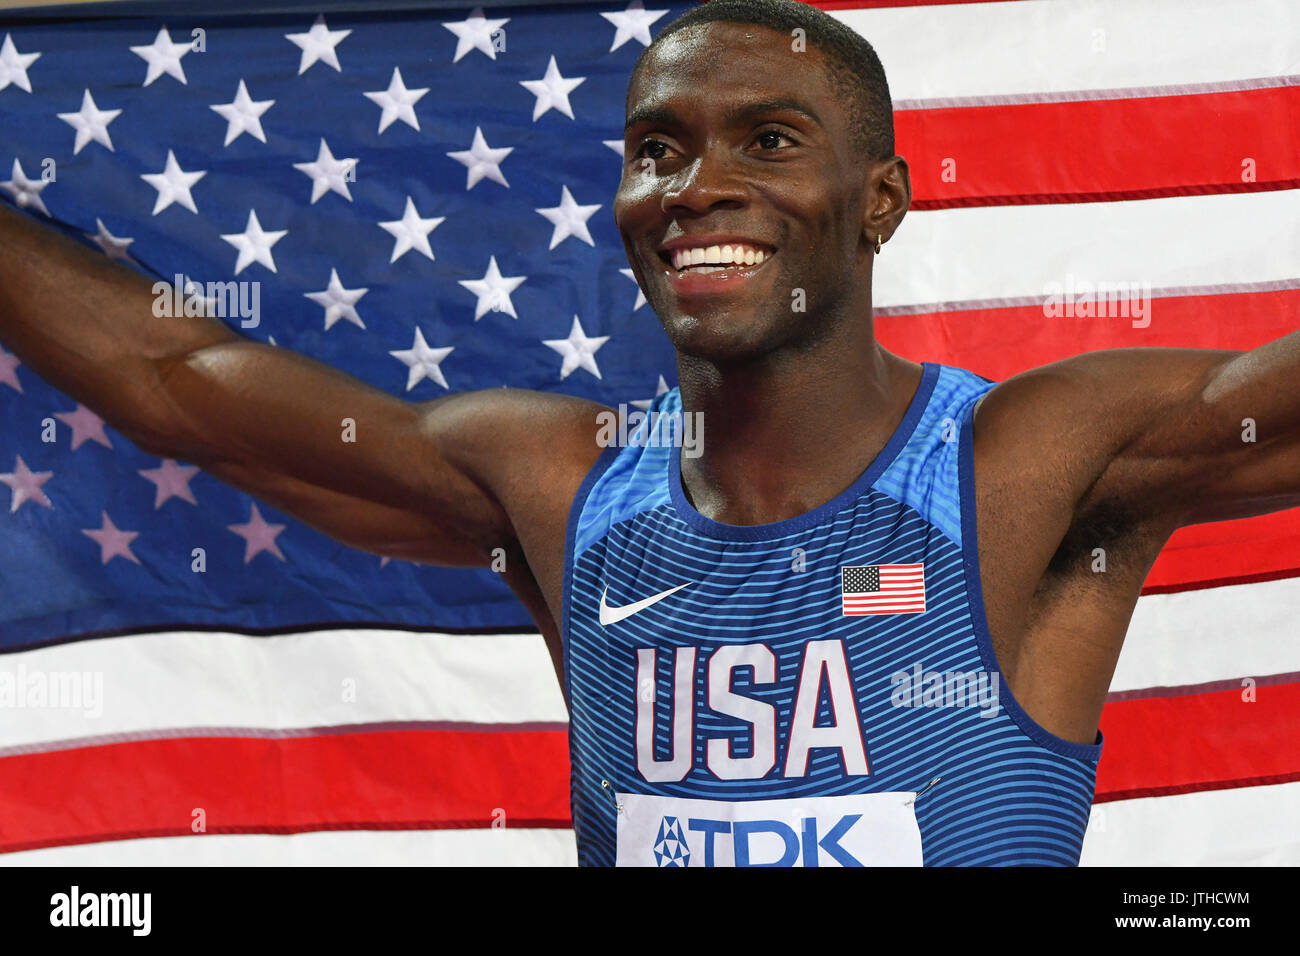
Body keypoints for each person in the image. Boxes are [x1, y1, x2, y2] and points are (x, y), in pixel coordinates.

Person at [0, 0, 1295, 866]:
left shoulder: (1027, 463)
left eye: (768, 140)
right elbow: (177, 374)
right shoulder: (557, 486)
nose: (697, 187)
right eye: (656, 150)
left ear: (881, 199)